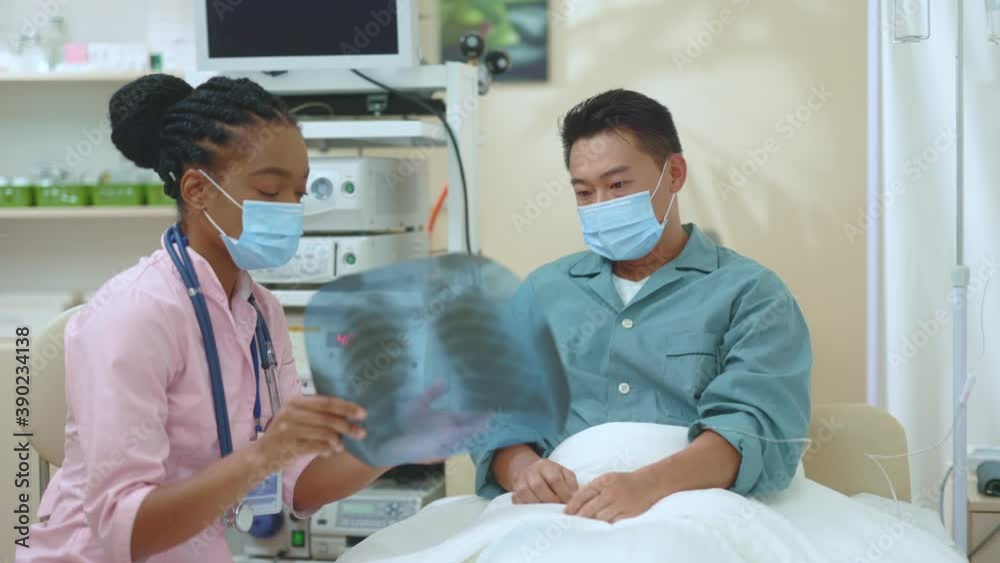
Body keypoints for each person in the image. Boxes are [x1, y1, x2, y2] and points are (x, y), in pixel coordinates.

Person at [17, 74, 406, 563]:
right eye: (269, 190)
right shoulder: (135, 314)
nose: (290, 211)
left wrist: (405, 435)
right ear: (198, 190)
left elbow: (299, 486)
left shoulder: (260, 311)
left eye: (300, 195)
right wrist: (263, 455)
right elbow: (125, 531)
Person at [474, 89, 812, 524]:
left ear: (673, 173)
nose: (601, 205)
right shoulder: (543, 291)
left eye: (617, 185)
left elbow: (753, 428)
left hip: (696, 506)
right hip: (560, 511)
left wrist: (646, 486)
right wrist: (524, 471)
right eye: (584, 192)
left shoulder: (752, 294)